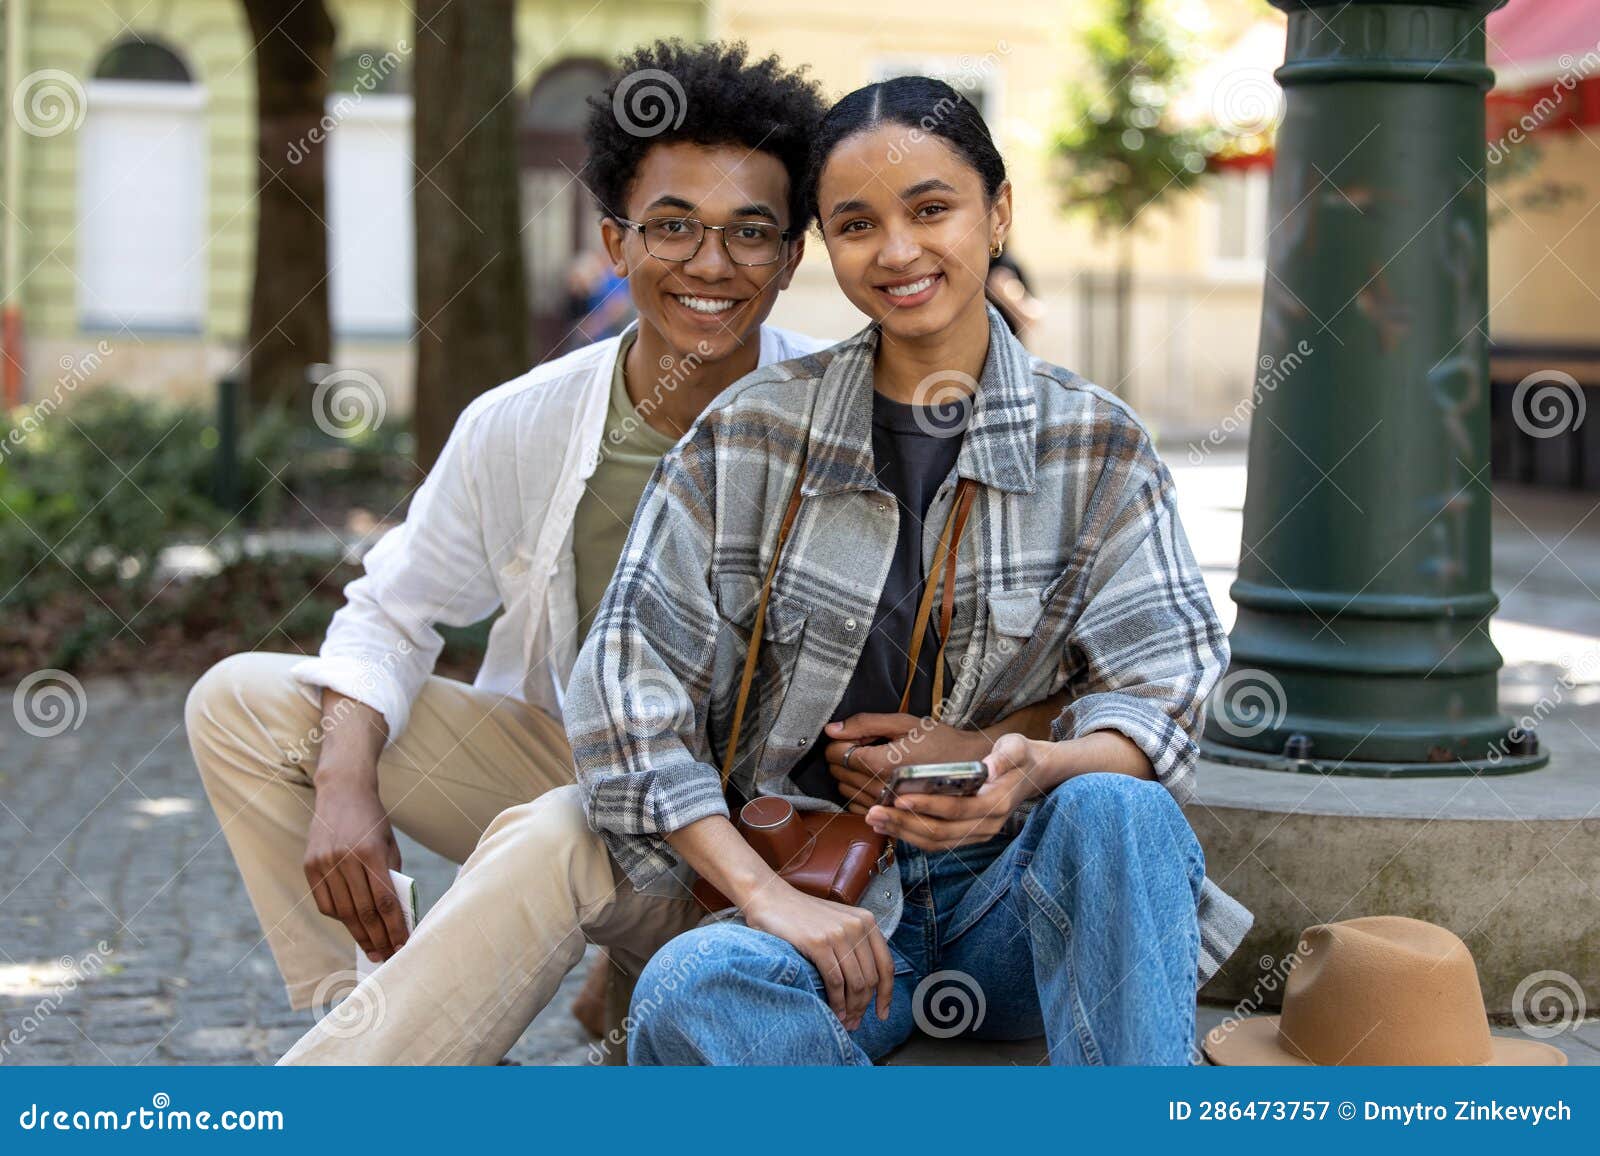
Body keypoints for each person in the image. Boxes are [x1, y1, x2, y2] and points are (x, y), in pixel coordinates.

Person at [560, 75, 1254, 1065]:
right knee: (691, 987)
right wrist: (764, 899)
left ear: (997, 210)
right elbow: (621, 696)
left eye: (931, 209)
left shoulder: (1096, 446)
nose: (896, 251)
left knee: (1116, 807)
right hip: (825, 900)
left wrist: (1030, 769)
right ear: (823, 247)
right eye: (855, 224)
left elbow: (1168, 689)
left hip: (1015, 901)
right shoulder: (752, 436)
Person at [184, 39, 830, 1063]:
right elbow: (391, 611)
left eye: (750, 234)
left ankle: (357, 1088)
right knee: (239, 703)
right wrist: (345, 787)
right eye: (672, 228)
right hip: (567, 764)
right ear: (614, 244)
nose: (711, 265)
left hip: (766, 833)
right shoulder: (524, 420)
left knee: (561, 829)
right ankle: (372, 1024)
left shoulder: (843, 426)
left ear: (793, 256)